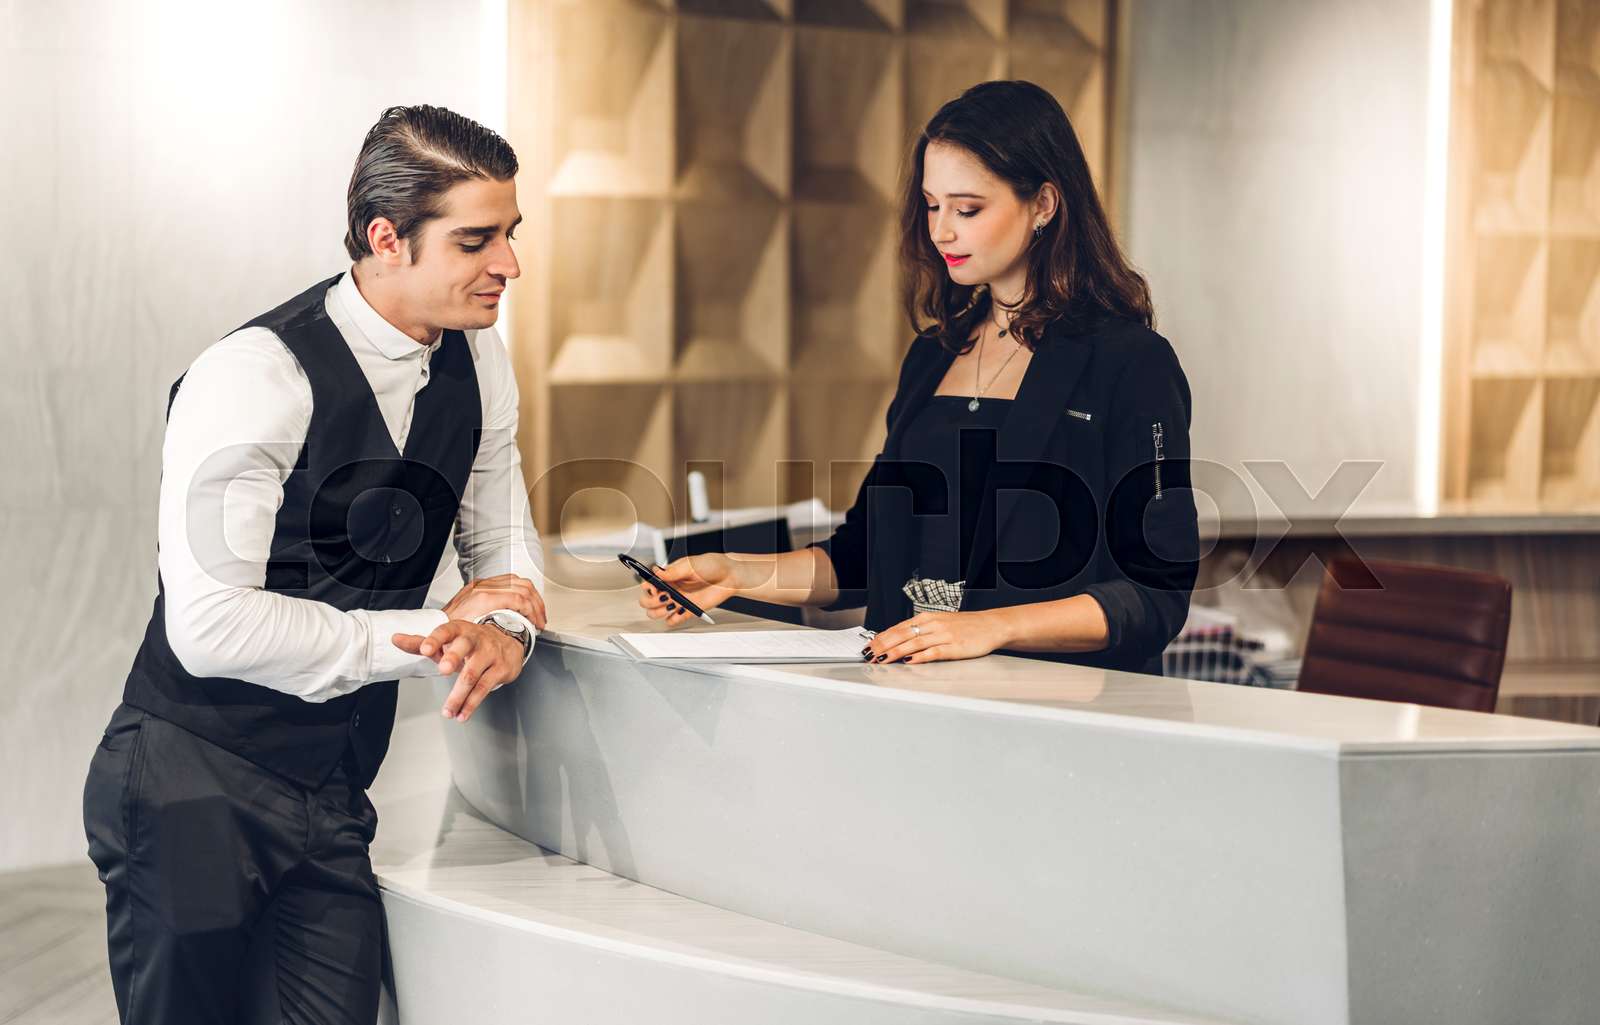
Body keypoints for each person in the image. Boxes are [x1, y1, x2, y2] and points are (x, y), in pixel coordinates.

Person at [82, 105, 547, 1024]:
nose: (510, 265)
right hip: (192, 778)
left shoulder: (481, 363)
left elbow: (503, 551)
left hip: (332, 787)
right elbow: (209, 624)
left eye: (512, 235)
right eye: (476, 240)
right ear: (387, 238)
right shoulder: (255, 374)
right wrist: (433, 639)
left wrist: (506, 626)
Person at [638, 80, 1197, 675]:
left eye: (968, 209)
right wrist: (741, 572)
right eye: (932, 206)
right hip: (912, 707)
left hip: (1056, 721)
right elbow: (863, 558)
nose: (941, 231)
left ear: (1044, 204)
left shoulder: (1131, 362)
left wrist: (990, 627)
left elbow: (1154, 595)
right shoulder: (933, 355)